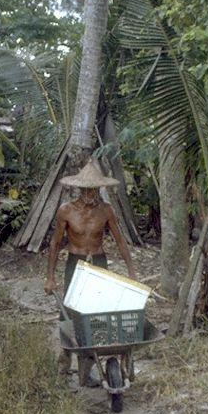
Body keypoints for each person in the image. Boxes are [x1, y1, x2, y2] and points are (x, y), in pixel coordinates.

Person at [44, 159, 137, 383]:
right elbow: (56, 244)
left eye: (94, 190)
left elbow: (120, 241)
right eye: (86, 190)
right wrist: (50, 277)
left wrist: (132, 272)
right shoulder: (66, 211)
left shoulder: (105, 211)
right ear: (79, 189)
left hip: (98, 262)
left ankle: (87, 369)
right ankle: (64, 367)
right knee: (69, 312)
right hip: (75, 262)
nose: (90, 194)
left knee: (96, 314)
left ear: (99, 189)